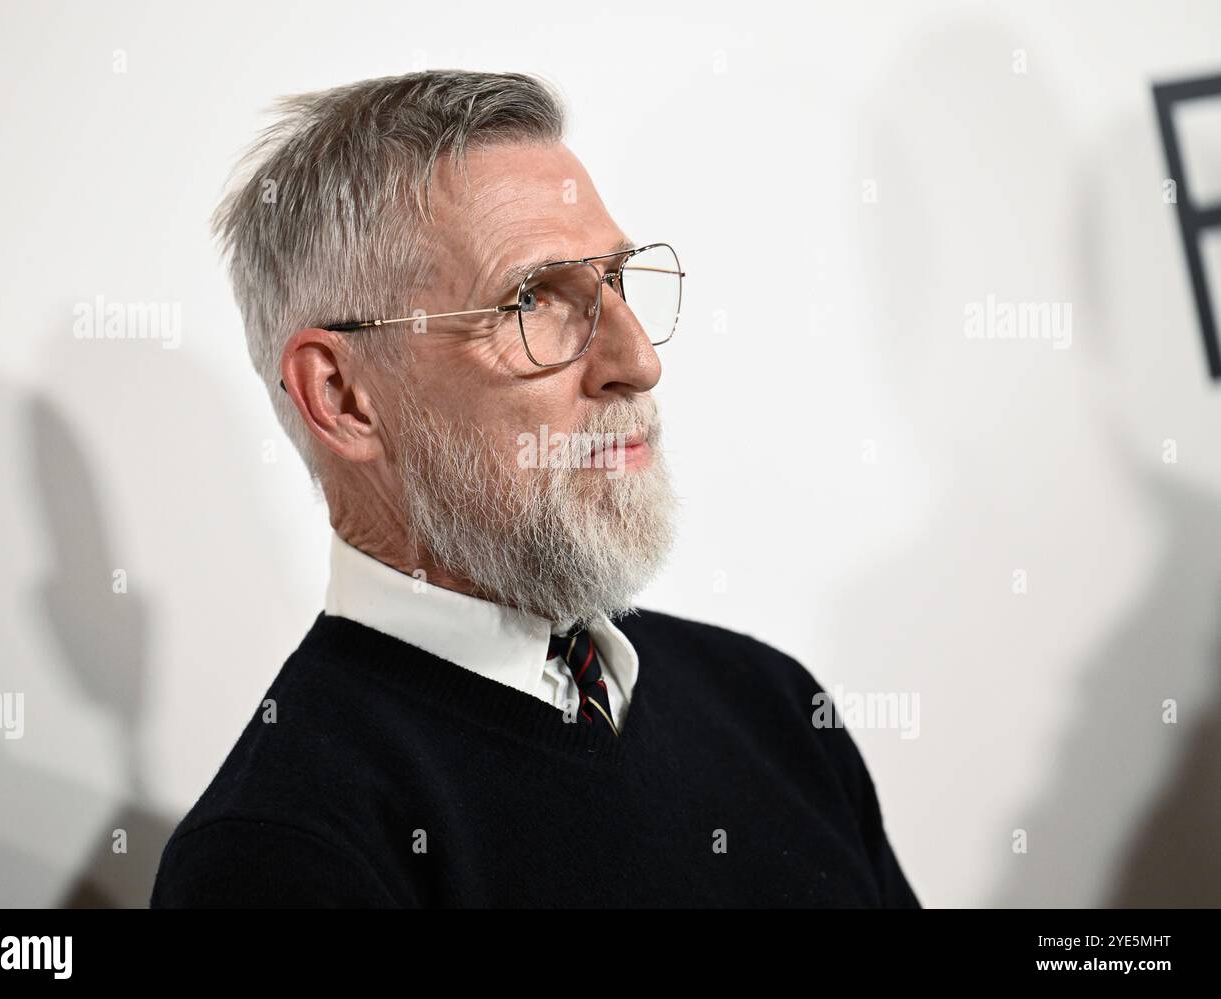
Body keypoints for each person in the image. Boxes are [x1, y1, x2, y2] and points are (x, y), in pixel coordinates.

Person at [149, 69, 919, 907]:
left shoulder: (770, 705)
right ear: (342, 395)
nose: (638, 361)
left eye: (616, 283)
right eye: (534, 300)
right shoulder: (281, 858)